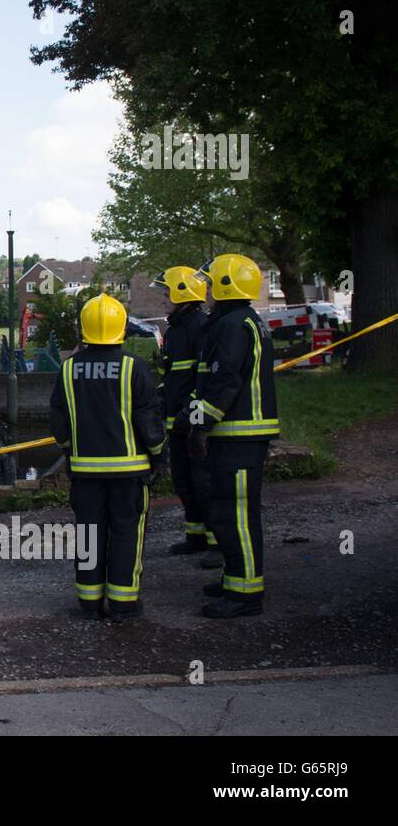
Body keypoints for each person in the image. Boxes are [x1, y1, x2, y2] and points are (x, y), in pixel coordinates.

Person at [50, 293, 165, 622]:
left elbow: (59, 419)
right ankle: (123, 603)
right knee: (127, 532)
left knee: (88, 533)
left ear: (84, 329)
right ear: (122, 328)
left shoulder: (68, 368)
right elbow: (149, 421)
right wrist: (159, 456)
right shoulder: (134, 368)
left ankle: (89, 602)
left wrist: (71, 448)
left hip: (85, 473)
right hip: (129, 473)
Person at [189, 254, 278, 619]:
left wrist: (197, 423)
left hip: (238, 437)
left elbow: (224, 381)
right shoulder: (244, 321)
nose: (206, 289)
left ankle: (244, 594)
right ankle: (235, 579)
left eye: (210, 283)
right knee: (230, 512)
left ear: (226, 285)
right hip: (241, 436)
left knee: (235, 515)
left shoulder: (231, 326)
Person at [151, 266, 219, 565]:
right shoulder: (176, 329)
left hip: (195, 422)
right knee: (184, 479)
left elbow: (204, 380)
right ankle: (196, 535)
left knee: (204, 481)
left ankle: (218, 543)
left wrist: (188, 412)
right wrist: (161, 400)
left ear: (181, 293)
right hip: (177, 421)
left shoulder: (200, 327)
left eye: (167, 293)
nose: (162, 299)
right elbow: (171, 377)